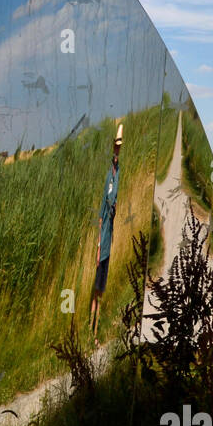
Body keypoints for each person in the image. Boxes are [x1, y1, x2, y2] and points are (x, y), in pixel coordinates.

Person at [89, 124, 122, 343]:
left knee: (100, 290)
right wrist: (99, 243)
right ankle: (91, 330)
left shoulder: (116, 175)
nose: (118, 151)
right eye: (116, 147)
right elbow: (102, 212)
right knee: (96, 289)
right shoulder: (107, 182)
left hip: (108, 241)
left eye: (120, 147)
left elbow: (117, 169)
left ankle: (95, 329)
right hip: (103, 242)